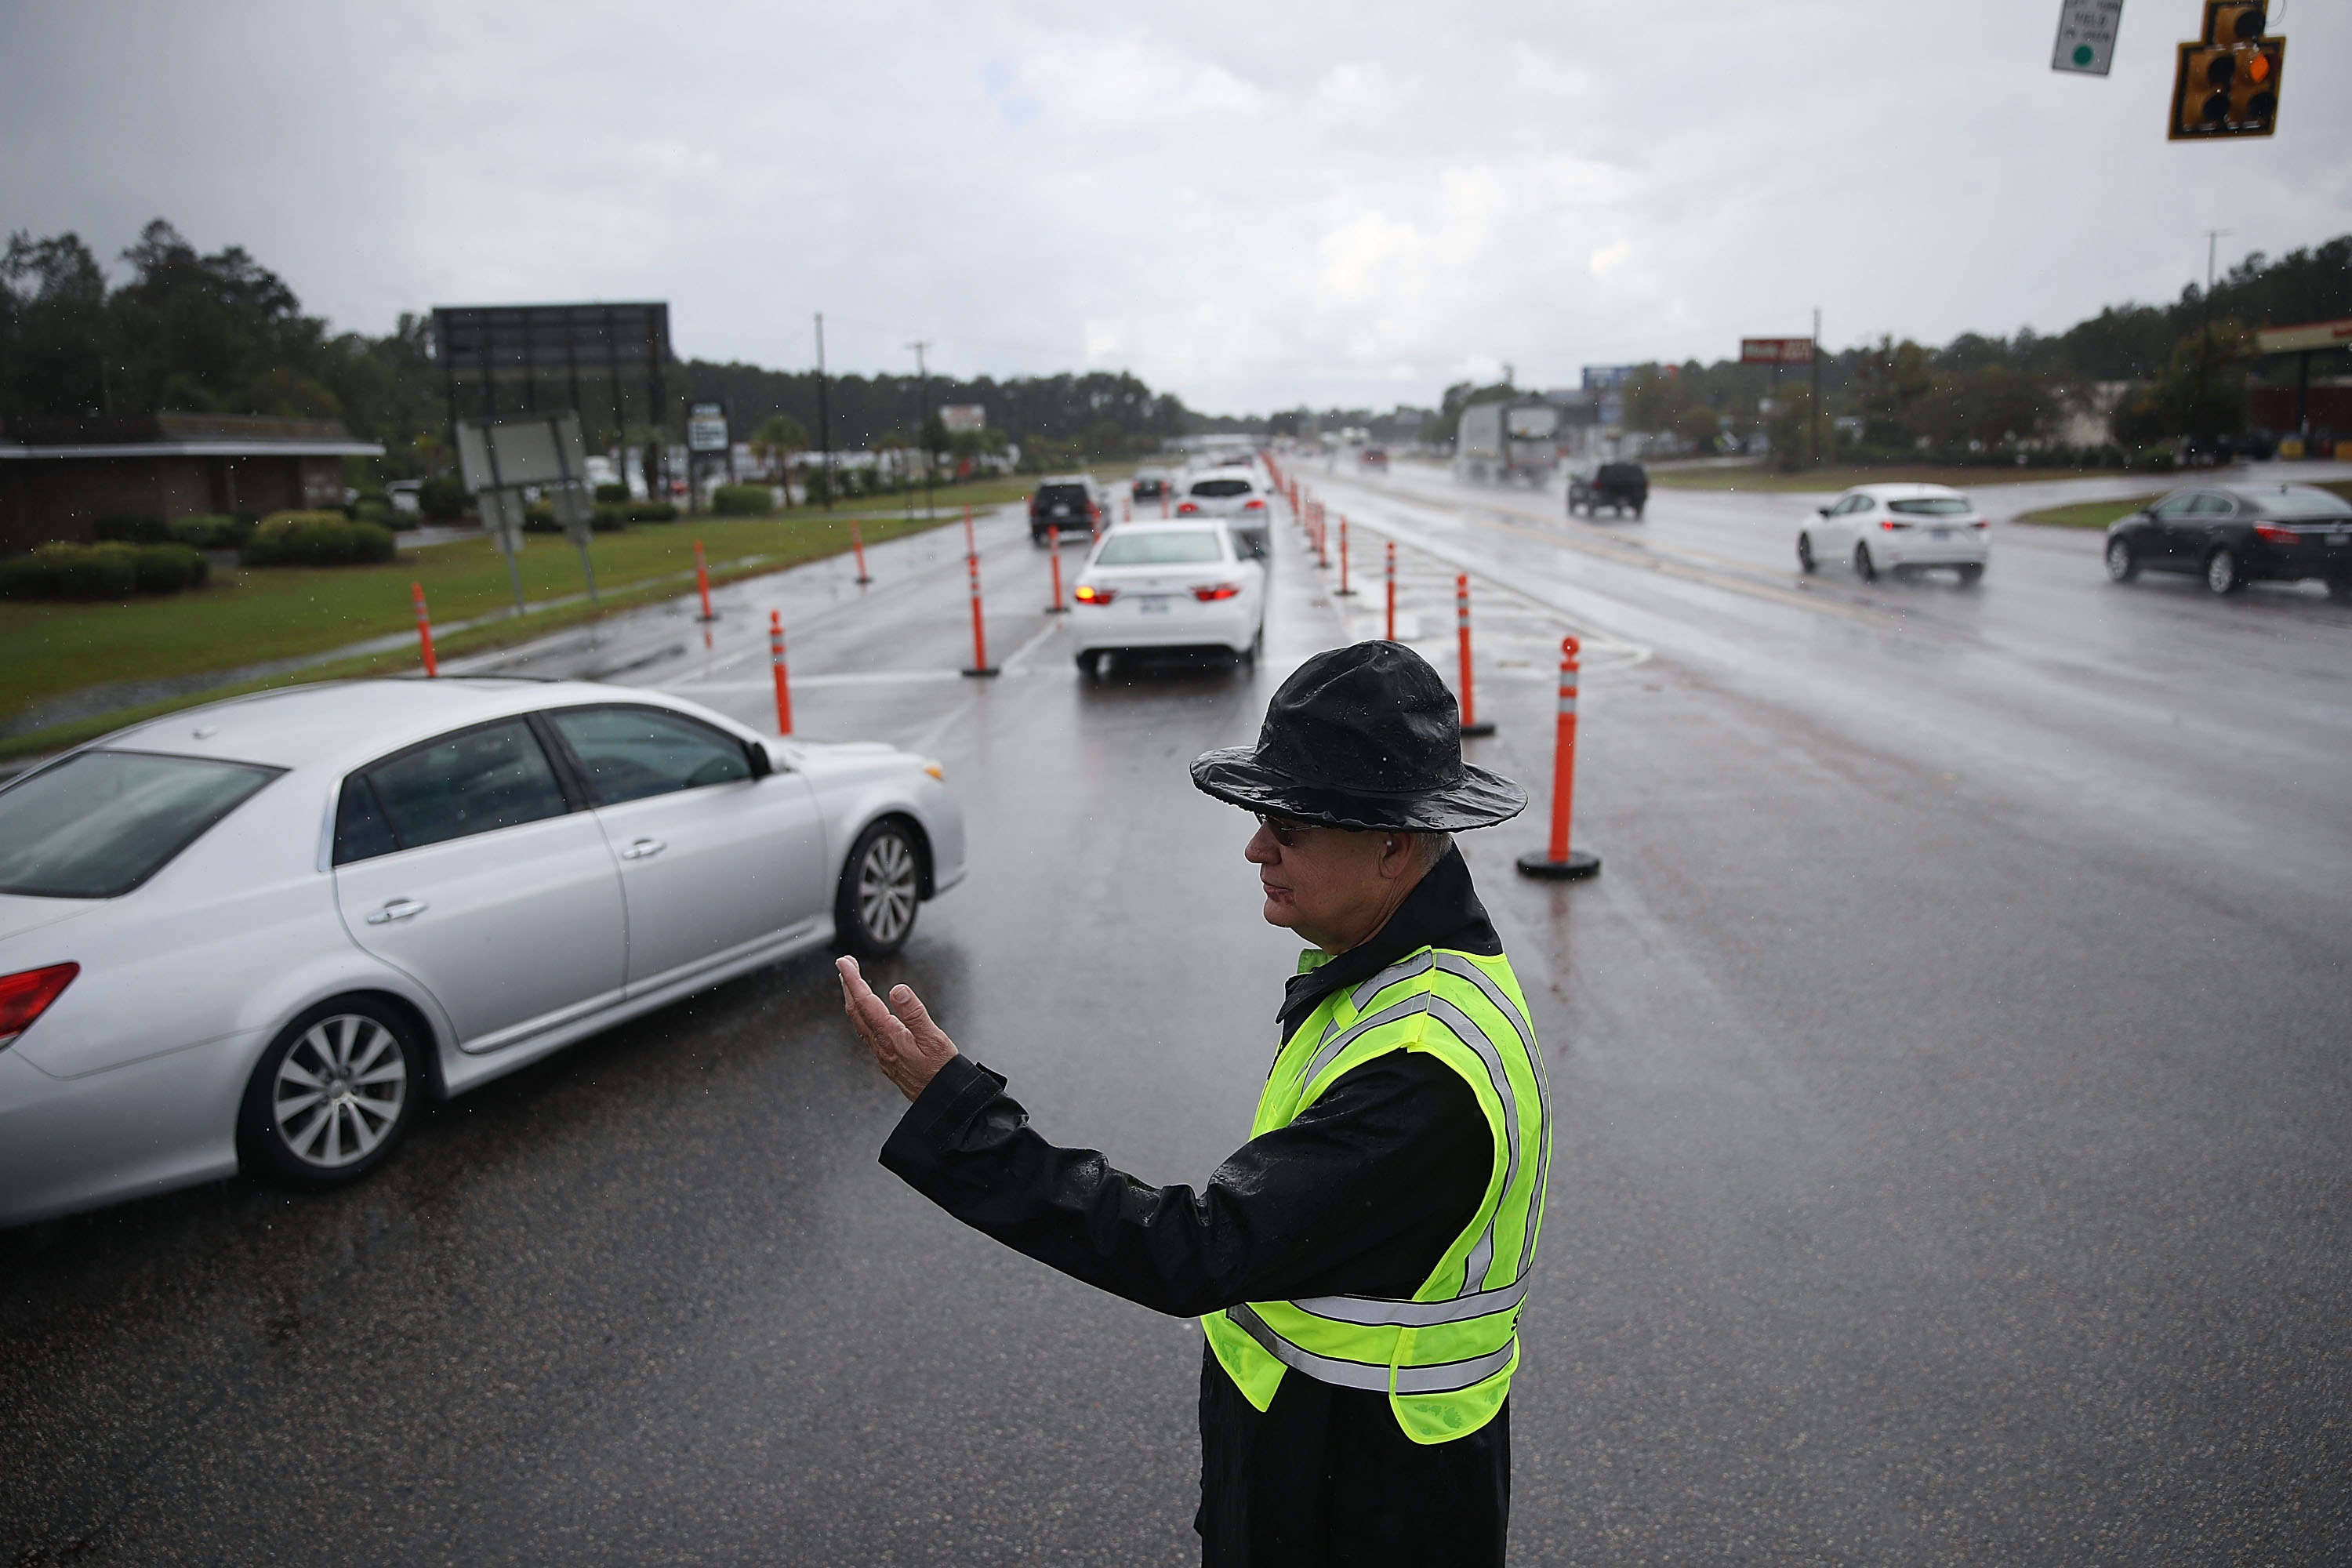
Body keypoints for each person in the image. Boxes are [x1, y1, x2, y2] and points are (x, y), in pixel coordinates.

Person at [837, 641, 1550, 1566]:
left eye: (1290, 825)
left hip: (1367, 1498)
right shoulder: (1402, 974)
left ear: (1394, 845)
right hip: (1333, 1463)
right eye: (1262, 816)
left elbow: (1195, 1248)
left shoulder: (1421, 1067)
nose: (1256, 845)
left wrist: (962, 1119)